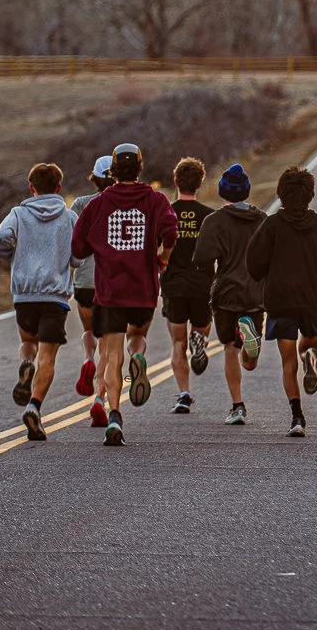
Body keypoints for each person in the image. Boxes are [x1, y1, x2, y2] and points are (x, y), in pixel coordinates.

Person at [69, 142, 178, 447]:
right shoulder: (155, 199)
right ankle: (140, 356)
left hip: (110, 292)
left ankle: (115, 414)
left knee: (111, 353)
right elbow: (172, 230)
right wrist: (163, 256)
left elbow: (78, 248)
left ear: (113, 171)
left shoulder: (99, 204)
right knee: (137, 337)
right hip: (143, 290)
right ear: (140, 168)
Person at [246, 165, 317, 438]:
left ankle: (297, 417)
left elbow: (254, 264)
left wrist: (266, 273)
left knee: (287, 361)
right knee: (309, 341)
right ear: (310, 195)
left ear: (280, 194)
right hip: (313, 299)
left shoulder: (272, 225)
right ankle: (311, 355)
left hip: (281, 300)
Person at [0, 162, 78, 442]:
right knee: (49, 356)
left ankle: (25, 363)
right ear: (58, 187)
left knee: (28, 342)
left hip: (25, 295)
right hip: (54, 296)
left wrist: (9, 252)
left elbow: (1, 240)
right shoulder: (68, 218)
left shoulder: (18, 214)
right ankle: (34, 406)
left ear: (31, 188)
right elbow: (78, 257)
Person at [192, 162, 265, 425]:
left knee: (229, 349)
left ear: (223, 193)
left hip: (226, 293)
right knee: (250, 362)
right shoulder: (262, 220)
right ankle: (252, 347)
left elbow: (201, 258)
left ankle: (237, 406)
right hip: (256, 295)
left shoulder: (214, 221)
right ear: (246, 192)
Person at [162, 157, 215, 414]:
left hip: (174, 286)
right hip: (202, 284)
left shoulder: (166, 213)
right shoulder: (209, 217)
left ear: (175, 182)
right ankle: (202, 338)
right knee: (203, 325)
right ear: (200, 183)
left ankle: (184, 394)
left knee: (177, 344)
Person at [71, 155, 112, 427]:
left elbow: (72, 241)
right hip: (110, 282)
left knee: (89, 332)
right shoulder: (121, 205)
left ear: (94, 178)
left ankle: (87, 358)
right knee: (109, 343)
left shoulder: (80, 204)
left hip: (84, 280)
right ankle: (99, 398)